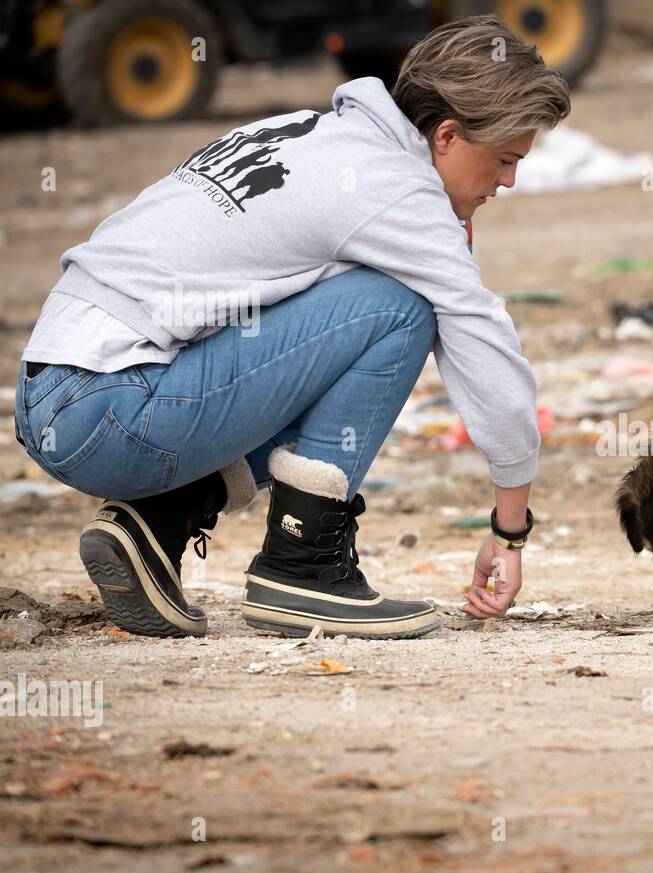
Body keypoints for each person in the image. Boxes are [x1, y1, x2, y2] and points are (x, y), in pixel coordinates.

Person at [12, 16, 569, 639]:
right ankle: (302, 566)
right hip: (117, 409)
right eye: (503, 159)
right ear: (446, 135)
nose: (509, 181)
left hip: (57, 393)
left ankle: (158, 524)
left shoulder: (304, 132)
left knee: (335, 308)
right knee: (400, 305)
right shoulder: (398, 192)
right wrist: (509, 528)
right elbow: (483, 344)